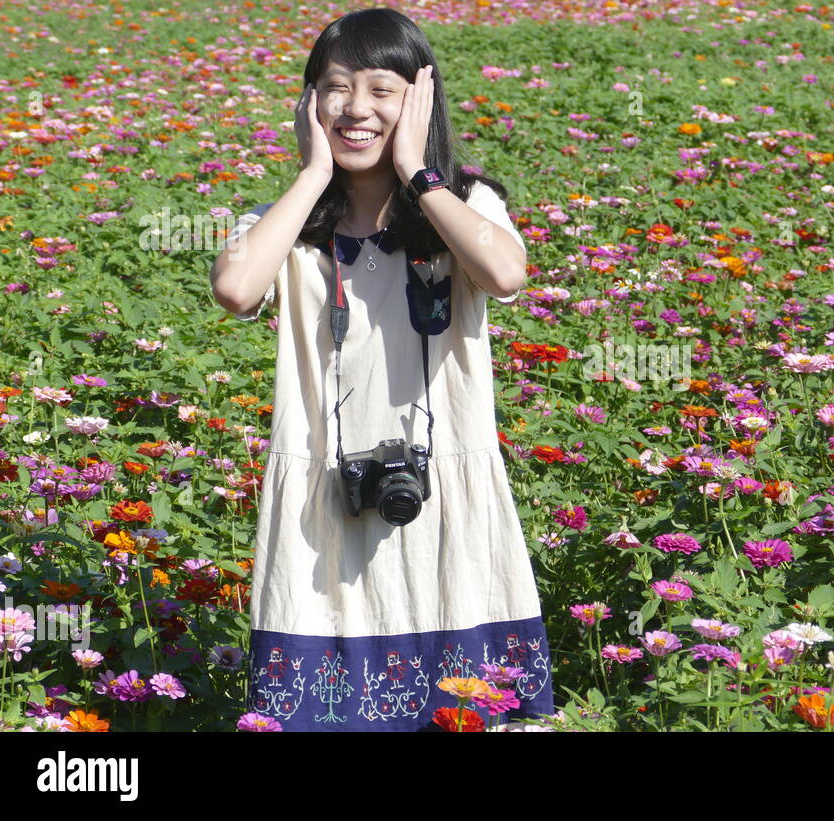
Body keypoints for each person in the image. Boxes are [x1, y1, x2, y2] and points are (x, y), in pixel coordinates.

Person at [209, 7, 554, 731]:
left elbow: (504, 272)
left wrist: (418, 171)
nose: (356, 108)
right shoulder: (286, 226)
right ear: (308, 103)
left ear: (420, 101)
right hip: (321, 509)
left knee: (469, 713)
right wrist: (312, 175)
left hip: (443, 497)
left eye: (381, 89)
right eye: (335, 87)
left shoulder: (463, 206)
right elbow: (237, 290)